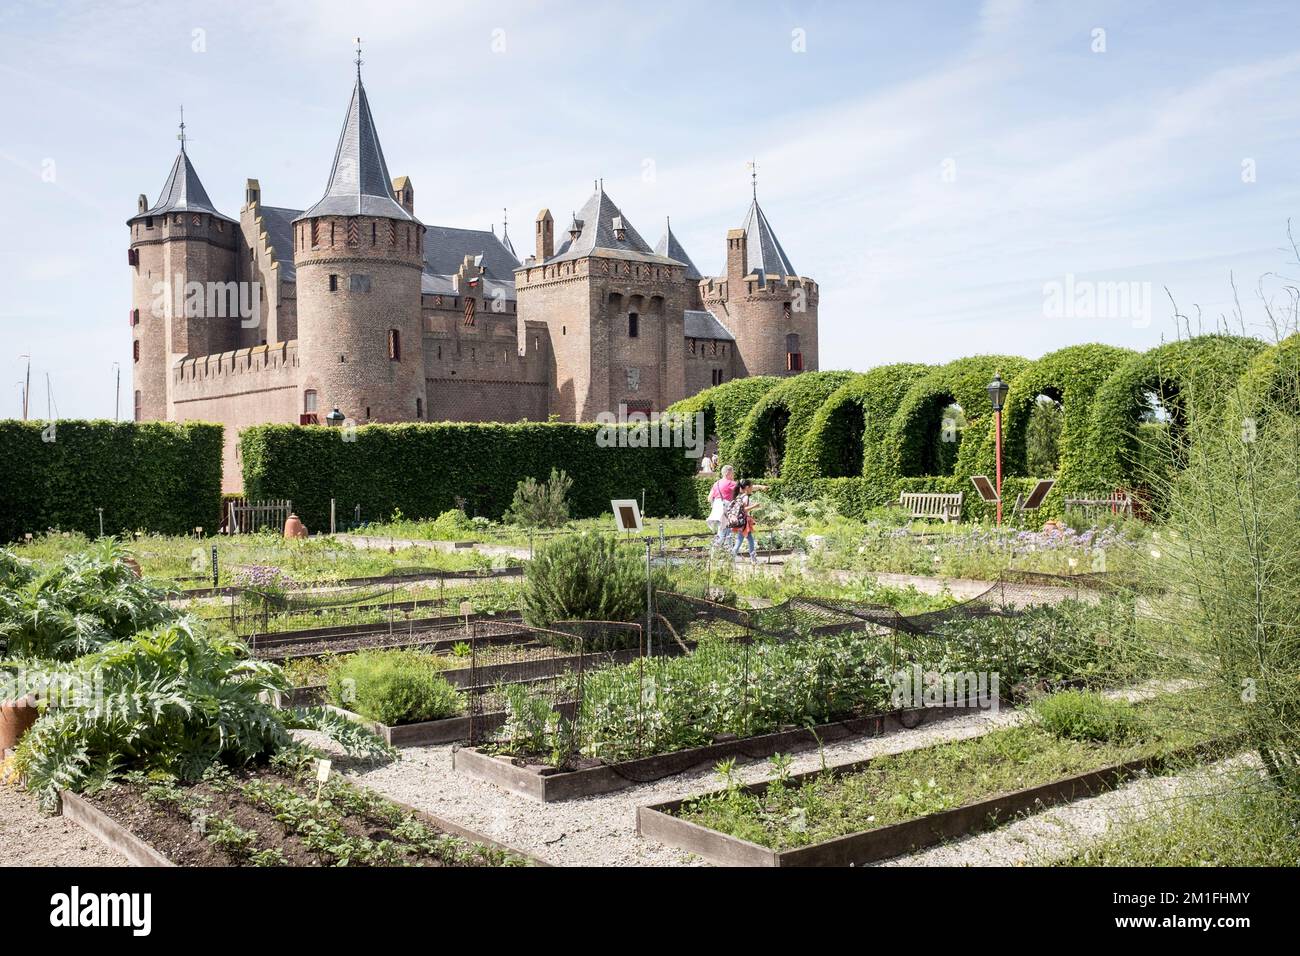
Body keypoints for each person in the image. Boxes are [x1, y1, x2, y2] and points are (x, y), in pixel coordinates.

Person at [729, 478, 763, 562]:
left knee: (739, 540)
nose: (752, 489)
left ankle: (731, 557)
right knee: (749, 540)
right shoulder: (746, 497)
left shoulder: (739, 495)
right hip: (744, 522)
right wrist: (755, 506)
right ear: (747, 487)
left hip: (740, 521)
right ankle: (753, 559)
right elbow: (744, 510)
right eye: (751, 487)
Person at [705, 465, 738, 548]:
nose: (733, 475)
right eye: (732, 473)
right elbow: (744, 488)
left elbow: (709, 498)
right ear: (728, 473)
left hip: (717, 511)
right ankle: (720, 554)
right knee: (726, 533)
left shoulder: (716, 483)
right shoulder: (730, 483)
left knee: (723, 532)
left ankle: (722, 554)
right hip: (725, 511)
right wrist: (760, 487)